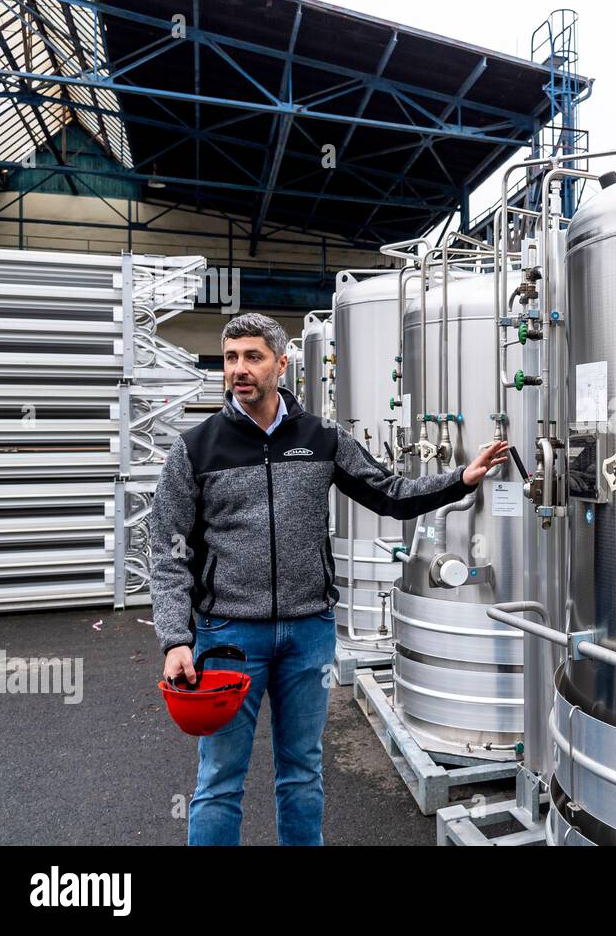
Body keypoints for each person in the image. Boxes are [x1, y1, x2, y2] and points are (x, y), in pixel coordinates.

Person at [149, 312, 507, 845]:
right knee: (219, 779)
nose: (239, 370)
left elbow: (388, 493)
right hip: (228, 636)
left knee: (302, 772)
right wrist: (176, 636)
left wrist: (460, 479)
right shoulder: (196, 448)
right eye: (230, 358)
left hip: (308, 634)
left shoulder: (321, 438)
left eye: (253, 357)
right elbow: (166, 548)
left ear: (282, 364)